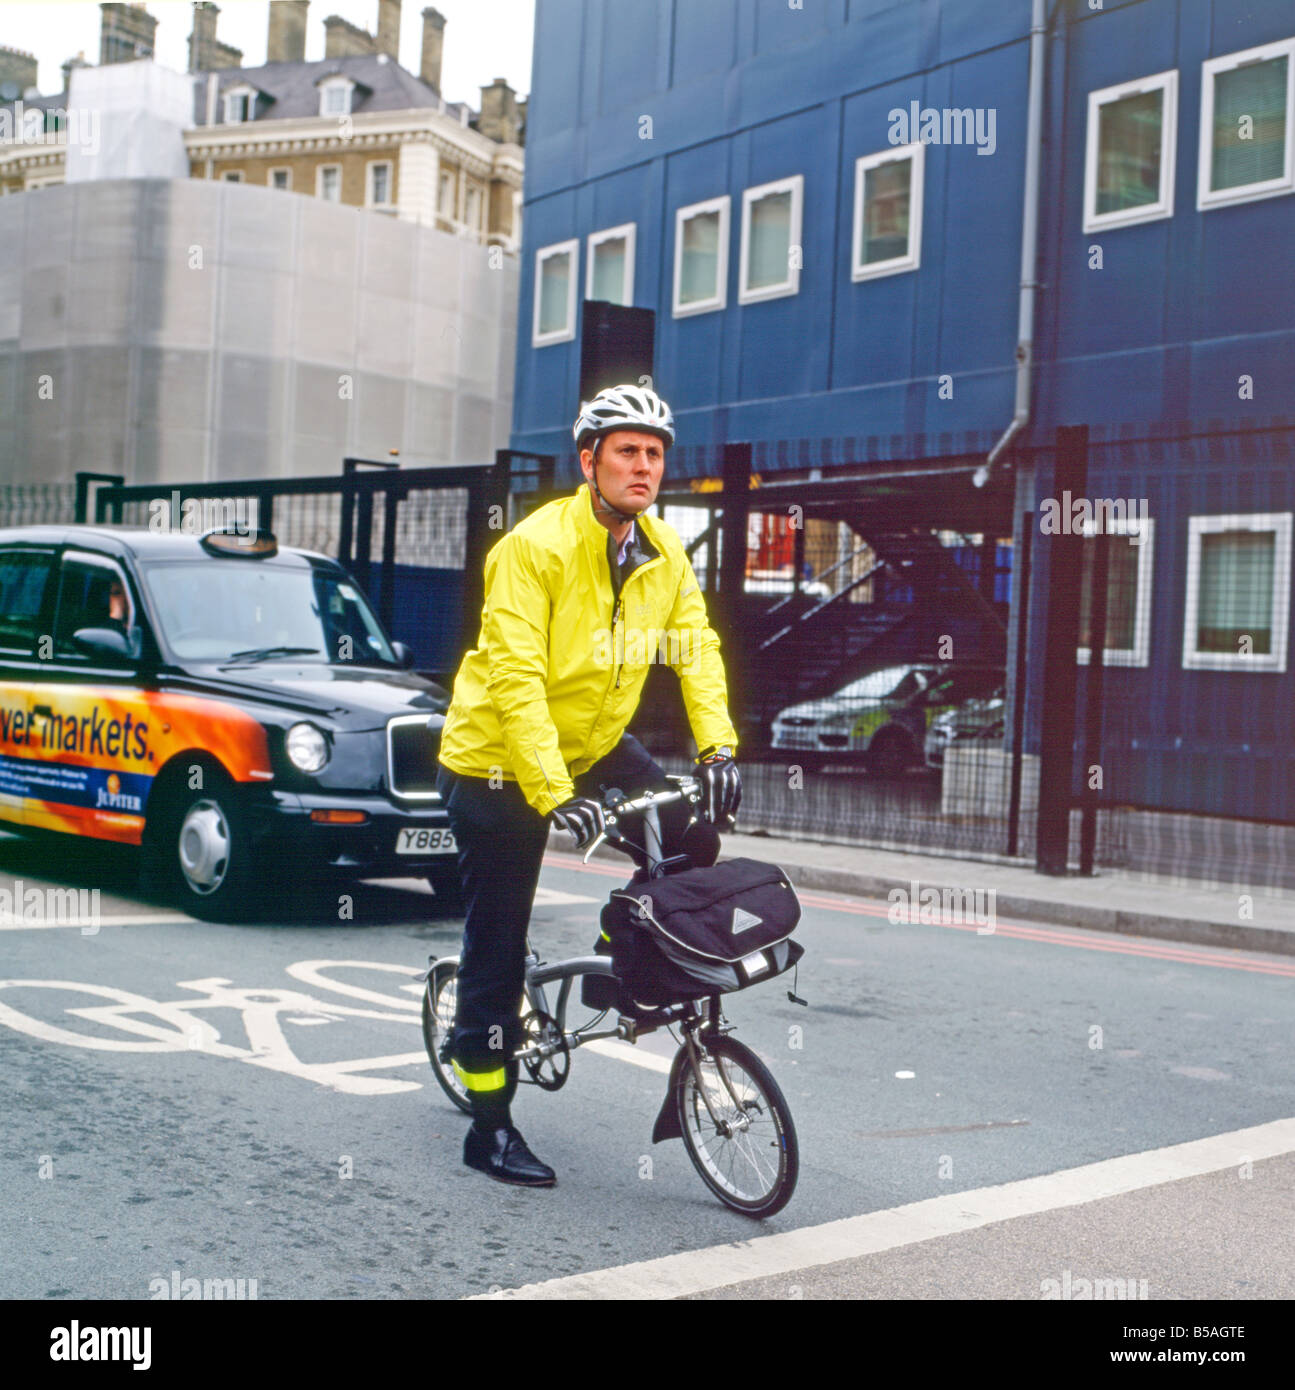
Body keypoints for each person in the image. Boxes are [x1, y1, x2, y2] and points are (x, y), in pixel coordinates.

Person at [435, 383, 742, 1187]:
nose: (643, 467)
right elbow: (515, 679)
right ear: (589, 463)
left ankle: (618, 959)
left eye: (654, 454)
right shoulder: (534, 549)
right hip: (497, 758)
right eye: (626, 452)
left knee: (693, 841)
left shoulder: (664, 550)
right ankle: (489, 1127)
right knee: (497, 946)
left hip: (594, 741)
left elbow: (696, 648)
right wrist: (548, 791)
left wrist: (716, 748)